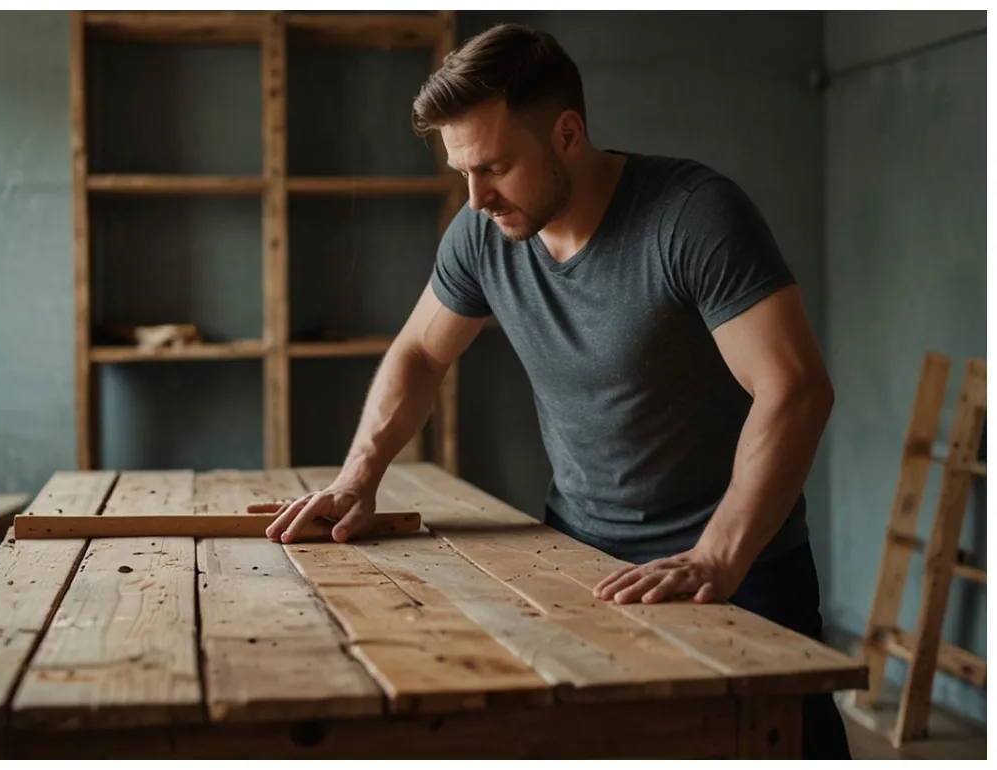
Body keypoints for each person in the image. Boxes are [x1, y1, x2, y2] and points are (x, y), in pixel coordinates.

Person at [259, 22, 850, 759]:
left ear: (568, 133)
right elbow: (417, 351)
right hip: (581, 558)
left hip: (736, 569)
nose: (475, 198)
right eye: (461, 171)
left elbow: (795, 388)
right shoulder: (483, 235)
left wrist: (717, 556)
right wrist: (358, 478)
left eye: (496, 167)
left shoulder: (695, 216)